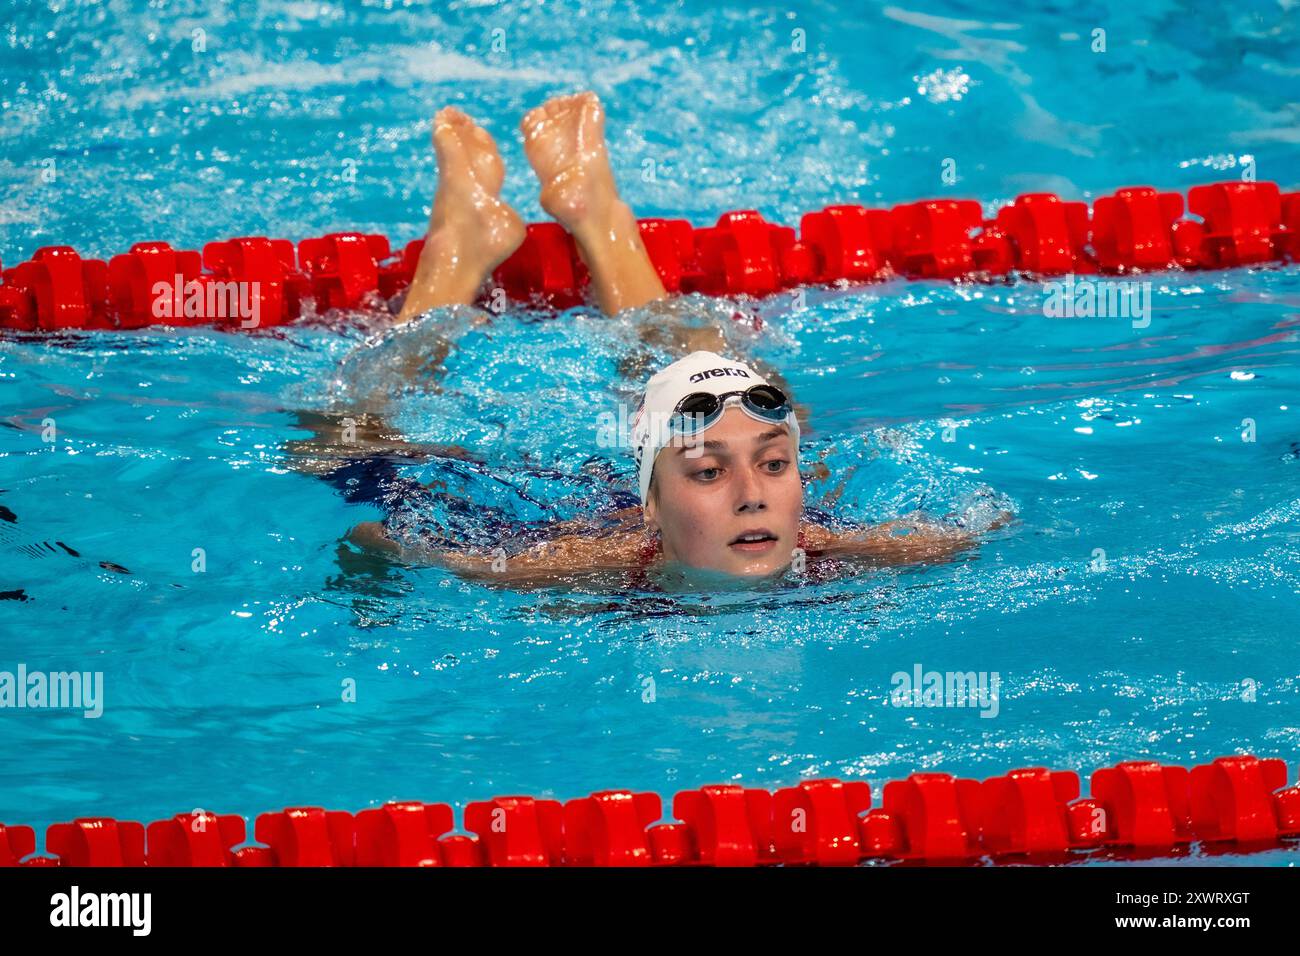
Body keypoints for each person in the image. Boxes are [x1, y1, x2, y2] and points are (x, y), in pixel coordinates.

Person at [302, 91, 1008, 586]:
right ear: (651, 509)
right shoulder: (571, 566)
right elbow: (384, 541)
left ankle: (599, 215)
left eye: (774, 468)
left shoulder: (850, 550)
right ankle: (456, 249)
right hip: (541, 512)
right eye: (707, 473)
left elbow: (985, 530)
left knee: (753, 393)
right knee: (346, 447)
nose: (752, 497)